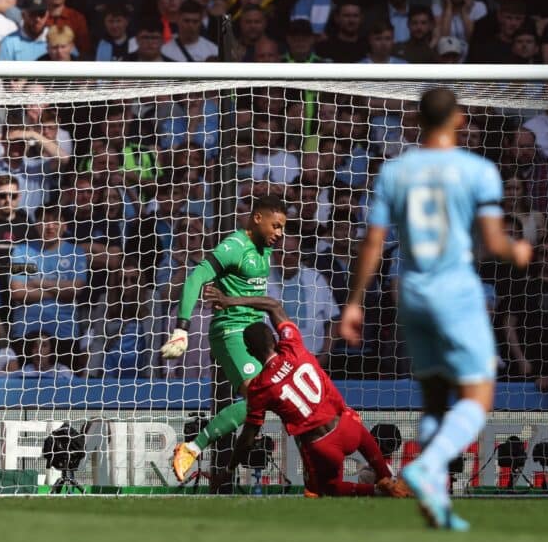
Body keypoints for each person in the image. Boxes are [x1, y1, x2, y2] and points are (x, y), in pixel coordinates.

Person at [339, 88, 532, 530]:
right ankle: (430, 465)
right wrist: (518, 251)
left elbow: (373, 240)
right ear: (459, 120)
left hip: (412, 293)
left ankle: (435, 507)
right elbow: (494, 241)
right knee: (478, 398)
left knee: (433, 403)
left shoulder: (394, 171)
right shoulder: (478, 170)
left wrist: (353, 302)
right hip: (456, 291)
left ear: (417, 120)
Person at [208, 287, 408, 497]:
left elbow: (248, 437)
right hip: (347, 426)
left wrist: (228, 470)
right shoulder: (293, 346)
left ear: (249, 352)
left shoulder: (259, 388)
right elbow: (273, 305)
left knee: (323, 489)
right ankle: (388, 479)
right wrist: (230, 300)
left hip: (322, 446)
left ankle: (377, 491)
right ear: (275, 341)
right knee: (362, 434)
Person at [162, 194, 288, 482]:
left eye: (282, 228)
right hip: (231, 332)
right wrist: (183, 328)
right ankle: (192, 449)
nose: (279, 234)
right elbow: (196, 278)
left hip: (257, 331)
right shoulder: (234, 247)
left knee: (274, 396)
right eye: (276, 226)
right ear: (257, 218)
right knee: (257, 398)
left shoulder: (264, 248)